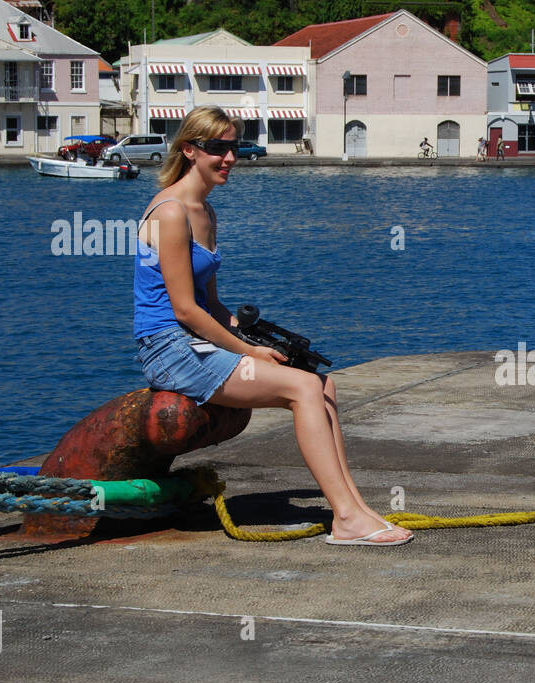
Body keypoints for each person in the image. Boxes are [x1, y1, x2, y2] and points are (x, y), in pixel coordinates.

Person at [133, 106, 412, 546]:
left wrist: (257, 337)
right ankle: (345, 519)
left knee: (321, 385)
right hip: (168, 349)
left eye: (234, 147)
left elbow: (212, 303)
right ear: (188, 150)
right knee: (301, 389)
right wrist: (248, 353)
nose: (229, 158)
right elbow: (185, 310)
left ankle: (356, 507)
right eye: (217, 148)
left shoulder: (204, 211)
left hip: (194, 341)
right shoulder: (171, 212)